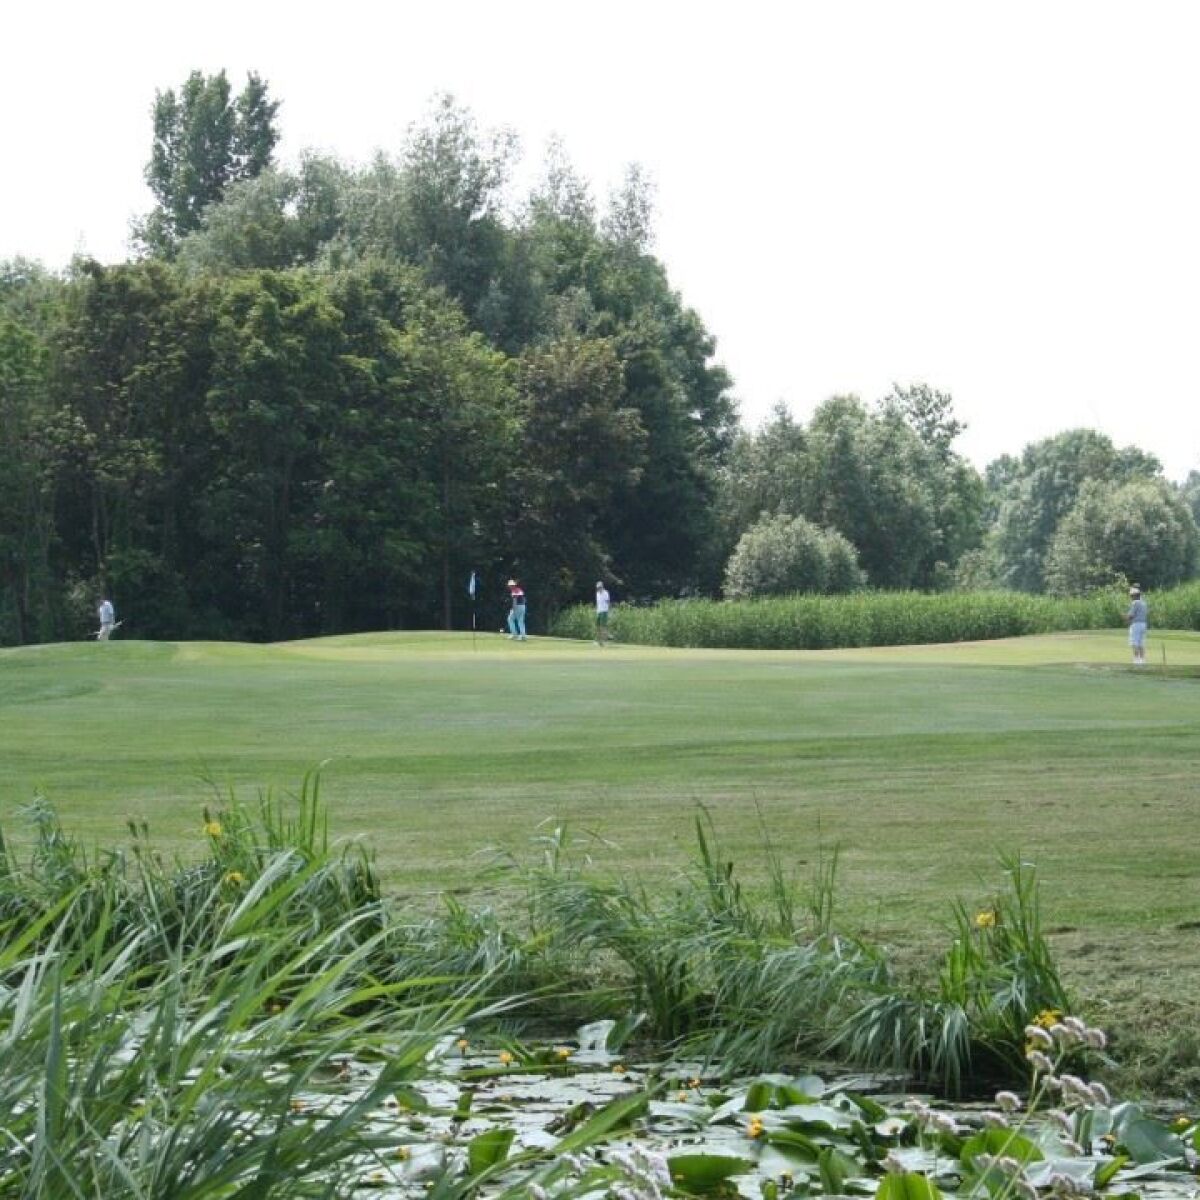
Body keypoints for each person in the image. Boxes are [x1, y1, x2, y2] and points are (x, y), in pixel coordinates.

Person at [1125, 585, 1148, 666]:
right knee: (1141, 643)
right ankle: (1142, 661)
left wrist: (1126, 617)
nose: (1131, 597)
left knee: (1135, 643)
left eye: (1131, 595)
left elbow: (1131, 615)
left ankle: (1136, 661)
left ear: (1134, 596)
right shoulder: (1144, 603)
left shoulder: (1135, 603)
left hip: (1136, 625)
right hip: (1143, 624)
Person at [594, 580, 611, 645]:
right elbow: (598, 603)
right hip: (599, 611)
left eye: (599, 587)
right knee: (597, 626)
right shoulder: (597, 593)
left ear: (602, 587)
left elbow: (608, 602)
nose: (598, 588)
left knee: (603, 626)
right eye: (598, 587)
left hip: (604, 611)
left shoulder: (606, 593)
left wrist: (609, 611)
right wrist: (597, 610)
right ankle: (599, 640)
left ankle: (603, 641)